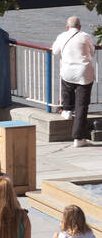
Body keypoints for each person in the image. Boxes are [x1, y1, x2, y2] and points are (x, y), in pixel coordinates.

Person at [52, 16, 97, 147]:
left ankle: (66, 110)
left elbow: (55, 51)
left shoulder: (62, 36)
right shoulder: (85, 36)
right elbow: (92, 51)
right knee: (82, 106)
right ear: (80, 27)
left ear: (67, 27)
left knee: (67, 86)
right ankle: (78, 138)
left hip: (67, 72)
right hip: (84, 73)